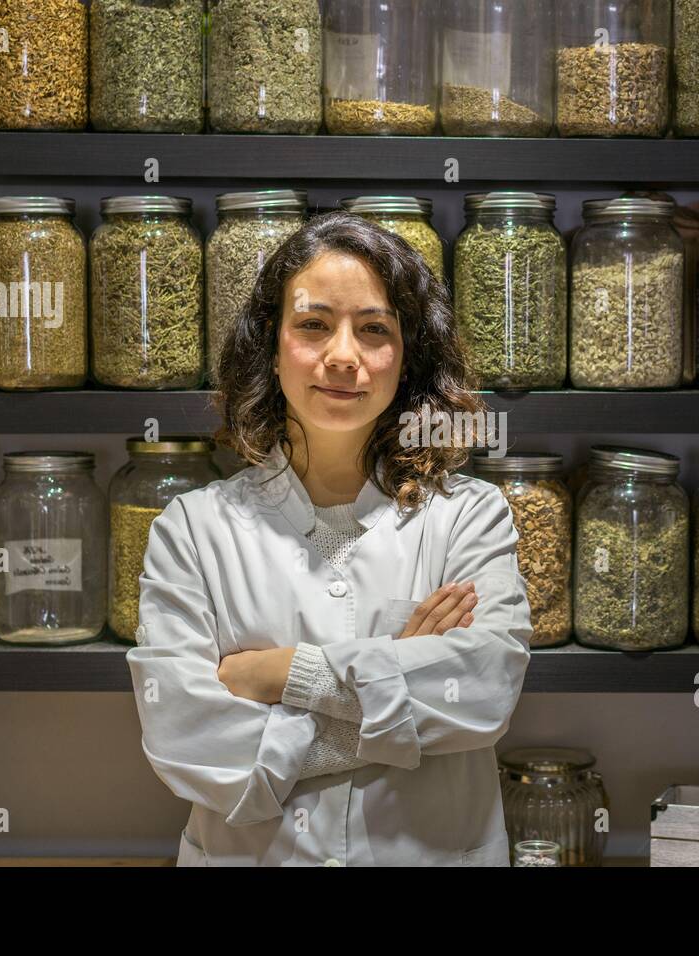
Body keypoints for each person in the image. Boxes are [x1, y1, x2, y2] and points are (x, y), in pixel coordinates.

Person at [126, 211, 532, 866]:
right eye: (314, 324)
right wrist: (396, 678)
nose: (343, 355)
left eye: (374, 330)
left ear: (408, 356)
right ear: (271, 342)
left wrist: (279, 673)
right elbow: (185, 738)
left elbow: (483, 692)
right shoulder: (193, 530)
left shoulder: (469, 518)